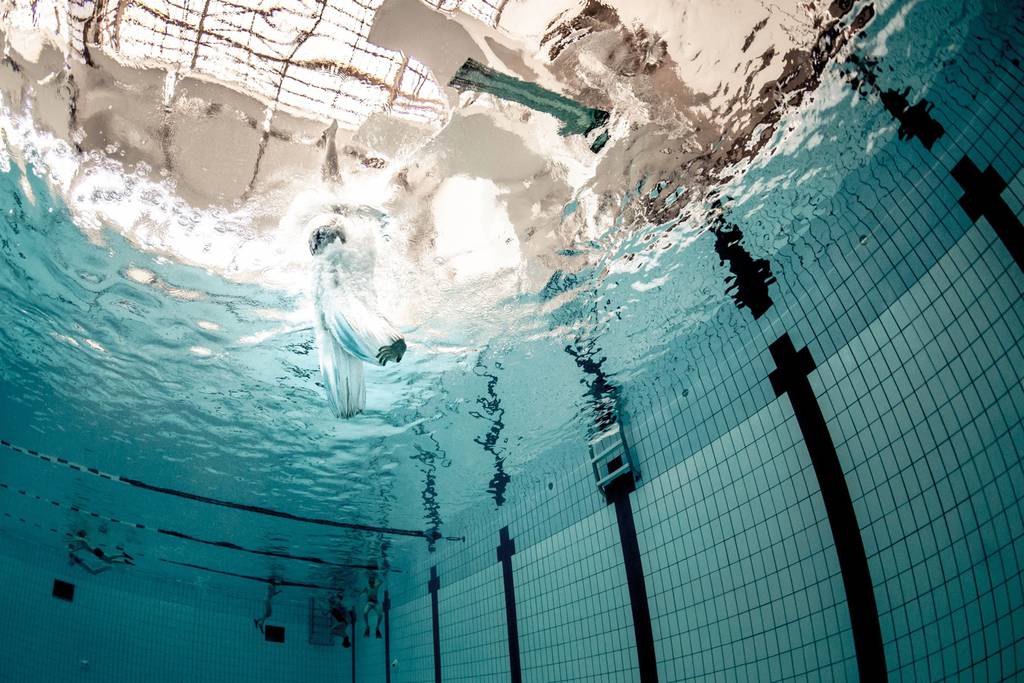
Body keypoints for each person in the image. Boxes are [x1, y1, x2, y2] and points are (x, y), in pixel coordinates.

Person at [67, 530, 134, 574]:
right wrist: (74, 550)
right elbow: (81, 547)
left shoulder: (83, 541)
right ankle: (124, 561)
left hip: (96, 552)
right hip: (96, 552)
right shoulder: (82, 543)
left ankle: (122, 555)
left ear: (80, 536)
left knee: (109, 559)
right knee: (109, 561)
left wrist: (68, 540)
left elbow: (77, 539)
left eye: (78, 536)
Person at [362, 572, 383, 638]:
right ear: (369, 582)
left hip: (376, 603)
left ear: (373, 582)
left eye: (372, 581)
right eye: (370, 581)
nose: (372, 583)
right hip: (369, 603)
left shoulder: (376, 586)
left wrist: (376, 576)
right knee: (365, 613)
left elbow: (381, 581)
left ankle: (377, 628)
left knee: (380, 615)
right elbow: (360, 592)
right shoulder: (367, 588)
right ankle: (367, 626)